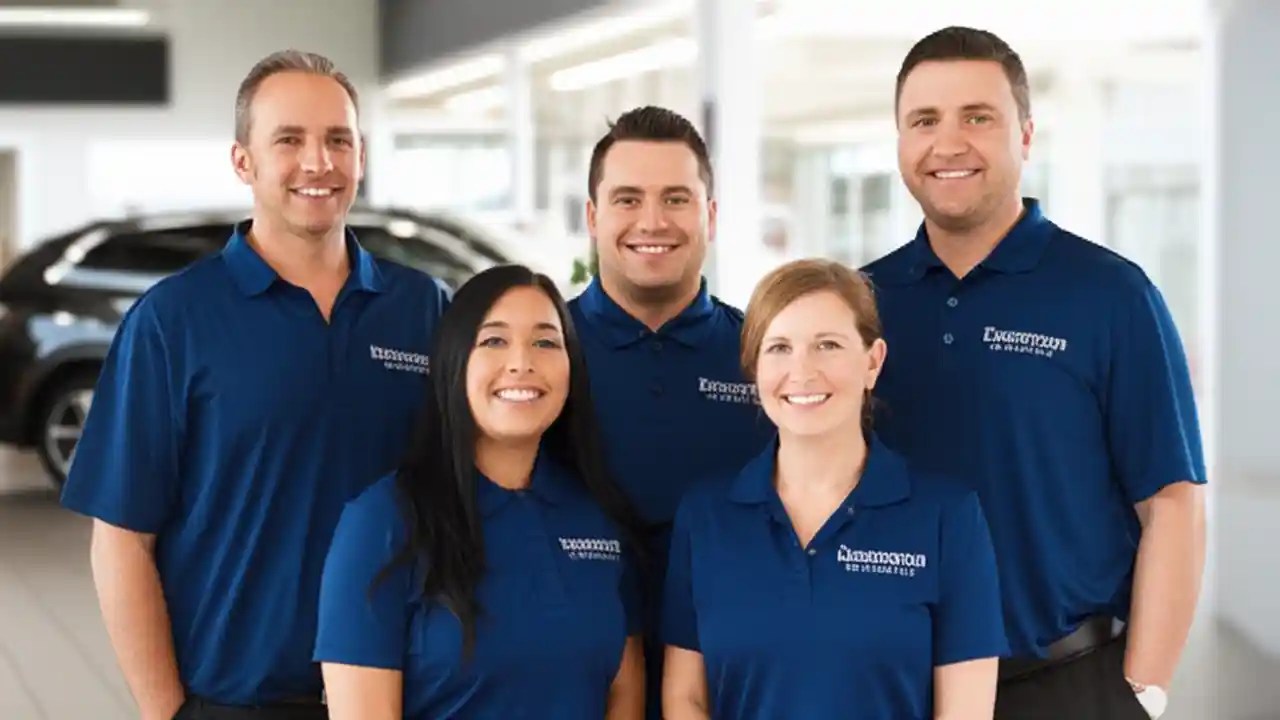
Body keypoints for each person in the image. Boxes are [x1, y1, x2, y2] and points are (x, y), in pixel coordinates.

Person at [59, 50, 450, 720]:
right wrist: (169, 712)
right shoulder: (173, 321)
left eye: (338, 140)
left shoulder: (423, 309)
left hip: (400, 696)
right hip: (235, 702)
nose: (318, 163)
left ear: (361, 155)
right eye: (289, 140)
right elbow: (122, 538)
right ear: (244, 161)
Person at [862, 26, 1207, 720]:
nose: (949, 143)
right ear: (900, 141)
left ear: (1024, 134)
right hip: (892, 686)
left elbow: (1172, 502)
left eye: (978, 118)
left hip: (1066, 684)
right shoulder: (862, 303)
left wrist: (1142, 691)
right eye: (924, 121)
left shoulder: (1111, 295)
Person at [661, 259, 1008, 719]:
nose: (801, 371)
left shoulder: (948, 517)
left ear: (873, 361)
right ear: (754, 367)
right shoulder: (705, 517)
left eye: (827, 345)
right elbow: (686, 699)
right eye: (779, 347)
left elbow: (965, 711)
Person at [313, 264, 646, 719]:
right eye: (493, 340)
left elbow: (623, 698)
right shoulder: (382, 522)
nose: (521, 362)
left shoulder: (599, 516)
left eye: (546, 342)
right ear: (455, 361)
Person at [569, 106, 777, 717]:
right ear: (592, 216)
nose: (652, 222)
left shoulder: (766, 360)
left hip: (733, 689)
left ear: (710, 215)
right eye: (627, 199)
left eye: (677, 199)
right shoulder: (539, 357)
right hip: (574, 686)